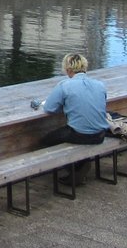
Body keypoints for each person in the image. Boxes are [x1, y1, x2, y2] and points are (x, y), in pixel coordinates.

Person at [33, 52, 110, 182]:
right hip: (101, 133)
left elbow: (49, 108)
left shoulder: (65, 86)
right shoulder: (100, 85)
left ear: (68, 70)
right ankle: (80, 165)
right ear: (85, 67)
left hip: (79, 134)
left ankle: (76, 168)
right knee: (68, 135)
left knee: (45, 141)